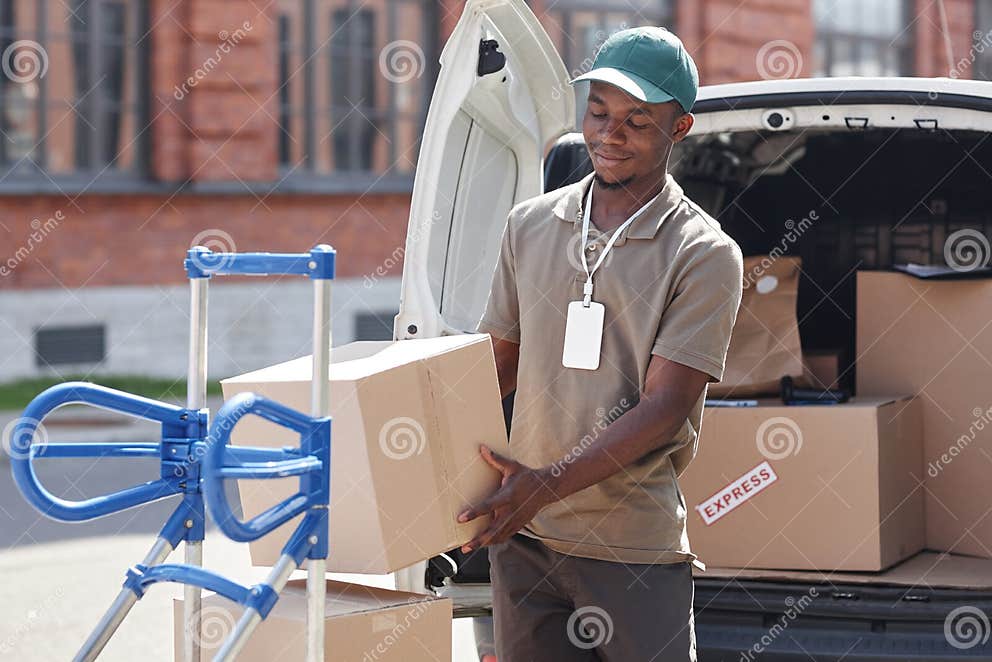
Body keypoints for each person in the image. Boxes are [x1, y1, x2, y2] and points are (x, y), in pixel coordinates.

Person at [456, 26, 745, 661]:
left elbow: (664, 407)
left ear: (680, 128)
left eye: (637, 121)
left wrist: (544, 484)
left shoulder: (704, 253)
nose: (609, 135)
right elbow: (495, 365)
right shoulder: (530, 225)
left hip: (631, 548)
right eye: (599, 112)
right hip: (523, 538)